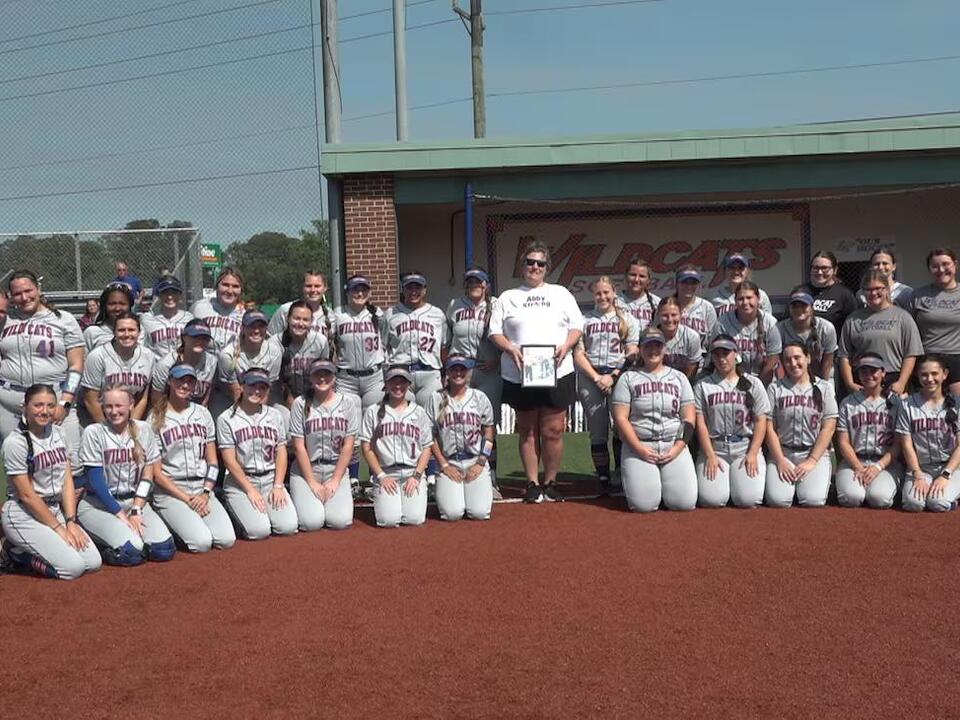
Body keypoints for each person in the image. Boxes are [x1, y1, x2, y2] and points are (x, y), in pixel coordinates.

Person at [489, 241, 583, 503]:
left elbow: (577, 326)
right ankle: (532, 482)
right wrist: (511, 349)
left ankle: (551, 482)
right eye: (530, 262)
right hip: (520, 373)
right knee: (527, 429)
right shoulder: (508, 297)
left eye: (540, 263)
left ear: (547, 268)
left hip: (557, 370)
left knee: (553, 429)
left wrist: (566, 346)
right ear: (522, 265)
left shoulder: (561, 293)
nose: (534, 267)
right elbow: (495, 332)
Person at [1, 384, 101, 579]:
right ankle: (16, 553)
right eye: (38, 405)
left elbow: (67, 481)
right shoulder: (16, 443)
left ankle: (26, 548)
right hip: (24, 514)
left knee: (92, 562)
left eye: (50, 405)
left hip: (55, 510)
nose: (44, 411)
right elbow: (27, 495)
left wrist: (71, 521)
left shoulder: (59, 433)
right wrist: (59, 529)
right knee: (72, 569)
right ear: (25, 407)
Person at [77, 385, 175, 564]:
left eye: (119, 406)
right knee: (131, 552)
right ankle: (100, 545)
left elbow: (148, 474)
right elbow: (95, 481)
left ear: (131, 405)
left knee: (163, 550)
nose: (113, 411)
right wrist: (121, 515)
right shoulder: (94, 432)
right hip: (99, 505)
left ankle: (120, 536)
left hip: (133, 502)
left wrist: (137, 509)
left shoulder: (143, 429)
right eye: (108, 406)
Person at [148, 364, 236, 552]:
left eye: (190, 381)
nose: (185, 385)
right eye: (180, 380)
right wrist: (187, 498)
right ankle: (169, 522)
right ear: (170, 381)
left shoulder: (203, 413)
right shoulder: (155, 417)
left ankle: (189, 521)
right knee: (201, 543)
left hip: (201, 489)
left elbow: (212, 462)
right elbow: (157, 473)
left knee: (226, 540)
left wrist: (205, 493)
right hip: (171, 492)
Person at [611, 328, 697, 512]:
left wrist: (677, 448)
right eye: (648, 346)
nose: (653, 350)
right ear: (640, 349)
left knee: (684, 503)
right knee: (643, 505)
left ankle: (666, 484)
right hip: (640, 446)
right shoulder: (628, 378)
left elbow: (688, 419)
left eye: (658, 345)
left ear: (665, 348)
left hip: (672, 444)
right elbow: (620, 418)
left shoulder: (679, 378)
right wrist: (639, 449)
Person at [0, 271, 85, 452]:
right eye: (17, 294)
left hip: (54, 399)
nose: (24, 297)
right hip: (11, 403)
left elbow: (76, 366)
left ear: (38, 289)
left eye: (28, 290)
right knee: (18, 465)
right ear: (11, 297)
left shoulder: (63, 319)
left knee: (68, 461)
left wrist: (65, 402)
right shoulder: (5, 320)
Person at [573, 276, 639, 493]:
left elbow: (632, 351)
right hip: (591, 376)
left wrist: (614, 375)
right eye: (598, 293)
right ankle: (603, 478)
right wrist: (596, 377)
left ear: (614, 292)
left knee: (621, 427)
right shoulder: (584, 320)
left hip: (619, 375)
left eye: (606, 292)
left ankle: (621, 471)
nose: (602, 296)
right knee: (598, 430)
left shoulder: (627, 319)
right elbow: (579, 354)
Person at [217, 368, 298, 539]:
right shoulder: (226, 418)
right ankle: (230, 506)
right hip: (241, 483)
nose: (256, 391)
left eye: (262, 387)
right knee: (259, 531)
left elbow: (281, 451)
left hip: (270, 480)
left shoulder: (275, 415)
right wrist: (250, 490)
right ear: (242, 386)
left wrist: (278, 485)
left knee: (288, 527)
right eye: (252, 385)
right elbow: (229, 460)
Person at [445, 267, 503, 496]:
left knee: (488, 426)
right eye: (470, 282)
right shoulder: (454, 306)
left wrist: (497, 358)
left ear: (486, 284)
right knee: (460, 423)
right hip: (462, 371)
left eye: (478, 282)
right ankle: (455, 472)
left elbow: (508, 336)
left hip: (489, 370)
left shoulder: (497, 305)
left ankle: (491, 476)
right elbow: (446, 342)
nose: (474, 286)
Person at [694, 334, 770, 508]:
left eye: (726, 353)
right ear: (711, 357)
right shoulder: (703, 385)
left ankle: (734, 484)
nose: (721, 358)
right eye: (717, 354)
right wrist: (710, 455)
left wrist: (752, 453)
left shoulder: (753, 383)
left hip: (744, 447)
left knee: (748, 500)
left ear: (736, 354)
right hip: (716, 448)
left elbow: (760, 421)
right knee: (711, 500)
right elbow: (701, 424)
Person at [764, 343, 838, 508]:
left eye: (797, 357)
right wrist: (780, 460)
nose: (793, 363)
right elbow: (769, 428)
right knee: (778, 501)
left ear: (808, 358)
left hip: (813, 453)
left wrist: (811, 461)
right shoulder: (775, 388)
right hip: (784, 452)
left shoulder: (824, 388)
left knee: (813, 500)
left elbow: (829, 427)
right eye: (788, 360)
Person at [359, 366, 434, 528]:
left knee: (414, 519)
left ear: (408, 385)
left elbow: (427, 447)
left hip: (412, 473)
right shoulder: (374, 411)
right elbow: (366, 447)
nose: (398, 386)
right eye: (393, 381)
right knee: (388, 521)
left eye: (402, 382)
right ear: (386, 384)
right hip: (386, 473)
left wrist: (417, 476)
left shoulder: (419, 412)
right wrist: (380, 476)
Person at [288, 359, 358, 531]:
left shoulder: (348, 403)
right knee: (311, 523)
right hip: (306, 471)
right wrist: (312, 482)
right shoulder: (300, 403)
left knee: (339, 521)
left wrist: (335, 481)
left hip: (336, 470)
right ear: (310, 378)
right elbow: (298, 447)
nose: (322, 379)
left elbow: (348, 446)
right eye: (317, 374)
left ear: (334, 377)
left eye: (326, 374)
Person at [427, 356, 496, 521]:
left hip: (474, 461)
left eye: (462, 369)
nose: (458, 373)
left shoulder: (479, 398)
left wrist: (481, 462)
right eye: (454, 369)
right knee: (452, 514)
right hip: (449, 462)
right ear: (448, 373)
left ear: (469, 372)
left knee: (480, 513)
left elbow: (488, 432)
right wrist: (443, 465)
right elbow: (430, 436)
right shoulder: (436, 398)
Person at [838, 271, 923, 396]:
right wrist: (850, 384)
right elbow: (844, 355)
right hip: (864, 378)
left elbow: (910, 354)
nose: (873, 293)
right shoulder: (853, 319)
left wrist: (901, 382)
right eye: (868, 289)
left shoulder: (902, 317)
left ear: (887, 289)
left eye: (878, 288)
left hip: (893, 378)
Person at [834, 354, 902, 509]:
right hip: (853, 461)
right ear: (858, 374)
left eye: (873, 370)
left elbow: (899, 444)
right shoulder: (848, 403)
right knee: (852, 498)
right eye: (863, 371)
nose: (868, 375)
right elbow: (843, 442)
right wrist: (858, 466)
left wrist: (878, 467)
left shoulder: (895, 403)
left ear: (883, 373)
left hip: (886, 463)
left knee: (879, 499)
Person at [897, 356, 960, 513]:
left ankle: (954, 499)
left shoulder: (956, 404)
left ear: (944, 374)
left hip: (950, 467)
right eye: (924, 374)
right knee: (913, 504)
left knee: (937, 503)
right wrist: (917, 475)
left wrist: (945, 475)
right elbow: (906, 444)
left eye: (934, 373)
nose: (929, 379)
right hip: (921, 468)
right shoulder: (907, 405)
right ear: (917, 376)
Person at [383, 271, 446, 408]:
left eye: (417, 287)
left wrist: (444, 375)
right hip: (400, 373)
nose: (413, 292)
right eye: (409, 287)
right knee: (403, 420)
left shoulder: (437, 314)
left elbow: (444, 346)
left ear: (424, 290)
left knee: (432, 420)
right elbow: (382, 347)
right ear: (402, 289)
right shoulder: (390, 314)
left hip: (429, 374)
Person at [81, 312, 155, 422]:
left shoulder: (148, 356)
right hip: (99, 417)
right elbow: (91, 400)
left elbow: (142, 397)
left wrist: (131, 426)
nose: (126, 334)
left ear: (139, 332)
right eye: (121, 330)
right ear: (114, 332)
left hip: (130, 416)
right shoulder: (97, 356)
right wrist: (106, 430)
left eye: (131, 330)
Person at [212, 310, 284, 421]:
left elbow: (267, 391)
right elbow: (236, 392)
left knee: (283, 416)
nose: (256, 330)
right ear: (243, 328)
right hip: (229, 398)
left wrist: (260, 419)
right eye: (251, 326)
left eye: (261, 326)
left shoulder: (275, 352)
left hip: (260, 395)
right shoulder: (228, 354)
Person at [908, 249, 960, 394]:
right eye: (935, 266)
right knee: (928, 410)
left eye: (946, 264)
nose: (941, 269)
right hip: (927, 359)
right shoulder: (918, 295)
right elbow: (909, 332)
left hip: (957, 358)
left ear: (955, 265)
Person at [709, 281, 781, 385]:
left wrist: (758, 386)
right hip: (729, 378)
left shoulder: (769, 322)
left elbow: (772, 359)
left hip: (764, 380)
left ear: (758, 298)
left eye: (749, 298)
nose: (745, 302)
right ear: (735, 301)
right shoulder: (722, 323)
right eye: (741, 299)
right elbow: (716, 356)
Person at [332, 275, 386, 412]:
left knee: (374, 419)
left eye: (364, 290)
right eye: (355, 290)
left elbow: (386, 341)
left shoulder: (378, 314)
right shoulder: (337, 315)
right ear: (347, 292)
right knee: (349, 420)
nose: (360, 294)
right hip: (346, 379)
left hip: (374, 378)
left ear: (370, 292)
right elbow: (330, 342)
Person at [271, 300, 329, 408]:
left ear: (311, 322)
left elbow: (324, 375)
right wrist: (289, 401)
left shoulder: (320, 341)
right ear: (288, 318)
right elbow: (274, 380)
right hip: (280, 398)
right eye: (296, 318)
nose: (300, 323)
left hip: (312, 396)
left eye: (305, 320)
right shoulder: (275, 343)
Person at [151, 319, 217, 407]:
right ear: (184, 337)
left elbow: (207, 397)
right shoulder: (166, 364)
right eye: (195, 337)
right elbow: (156, 399)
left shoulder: (212, 362)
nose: (200, 341)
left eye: (205, 338)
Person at [775, 288, 837, 381]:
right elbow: (779, 363)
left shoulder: (826, 328)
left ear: (812, 307)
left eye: (804, 305)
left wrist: (822, 386)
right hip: (790, 376)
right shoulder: (779, 329)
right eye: (794, 306)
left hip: (822, 375)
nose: (799, 309)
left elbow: (827, 362)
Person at [190, 266, 245, 351]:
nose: (230, 291)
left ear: (241, 290)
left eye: (235, 286)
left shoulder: (246, 316)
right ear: (217, 286)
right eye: (225, 285)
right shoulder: (199, 307)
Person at [267, 269, 333, 340]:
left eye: (317, 286)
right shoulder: (286, 310)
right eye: (308, 286)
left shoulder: (331, 316)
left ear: (325, 288)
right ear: (302, 287)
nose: (313, 290)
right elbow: (269, 339)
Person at [140, 275, 194, 359]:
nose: (170, 297)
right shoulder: (147, 319)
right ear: (159, 295)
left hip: (183, 367)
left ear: (179, 295)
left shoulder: (189, 318)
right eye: (165, 292)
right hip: (156, 369)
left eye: (174, 292)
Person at [804, 251, 858, 335]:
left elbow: (853, 325)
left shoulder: (844, 294)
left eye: (824, 268)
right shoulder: (801, 291)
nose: (820, 272)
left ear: (835, 270)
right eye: (816, 268)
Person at [704, 253, 773, 315]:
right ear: (725, 271)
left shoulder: (760, 295)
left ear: (747, 271)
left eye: (740, 268)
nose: (736, 272)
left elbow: (768, 324)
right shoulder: (713, 297)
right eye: (732, 268)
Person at [656, 296, 701, 380]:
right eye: (665, 315)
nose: (670, 319)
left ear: (681, 314)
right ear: (658, 315)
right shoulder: (651, 337)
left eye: (674, 315)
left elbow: (692, 369)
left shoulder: (691, 336)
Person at [674, 266, 717, 350]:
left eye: (693, 283)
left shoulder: (707, 307)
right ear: (676, 284)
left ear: (699, 285)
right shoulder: (667, 305)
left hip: (701, 358)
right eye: (684, 282)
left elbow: (713, 339)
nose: (689, 286)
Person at [82, 282, 134, 352]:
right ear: (104, 306)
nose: (117, 308)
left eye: (122, 304)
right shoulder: (91, 333)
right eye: (112, 304)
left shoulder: (140, 332)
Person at [617, 255, 661, 332]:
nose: (637, 280)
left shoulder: (657, 303)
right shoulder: (615, 302)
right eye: (633, 275)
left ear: (648, 280)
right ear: (625, 276)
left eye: (642, 276)